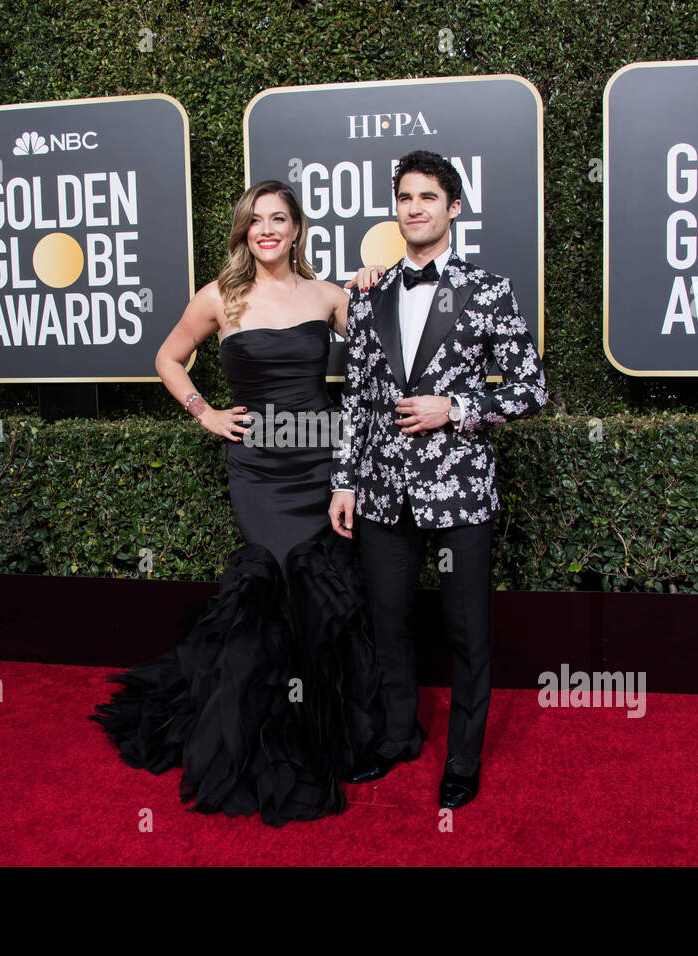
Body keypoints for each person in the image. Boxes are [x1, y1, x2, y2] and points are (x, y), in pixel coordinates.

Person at [92, 180, 379, 827]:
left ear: (299, 229)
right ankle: (260, 738)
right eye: (256, 220)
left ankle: (329, 735)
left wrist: (374, 293)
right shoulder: (219, 297)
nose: (267, 229)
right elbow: (167, 356)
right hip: (258, 470)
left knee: (322, 593)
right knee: (271, 589)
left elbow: (380, 365)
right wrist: (205, 411)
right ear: (244, 231)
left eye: (279, 218)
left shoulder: (329, 295)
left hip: (321, 461)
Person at [329, 150, 548, 810]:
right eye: (404, 197)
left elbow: (531, 388)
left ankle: (463, 757)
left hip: (459, 493)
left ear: (453, 208)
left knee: (466, 632)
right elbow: (358, 399)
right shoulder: (368, 294)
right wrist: (345, 480)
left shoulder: (488, 290)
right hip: (382, 492)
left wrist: (456, 408)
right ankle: (398, 737)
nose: (414, 207)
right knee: (389, 622)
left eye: (428, 196)